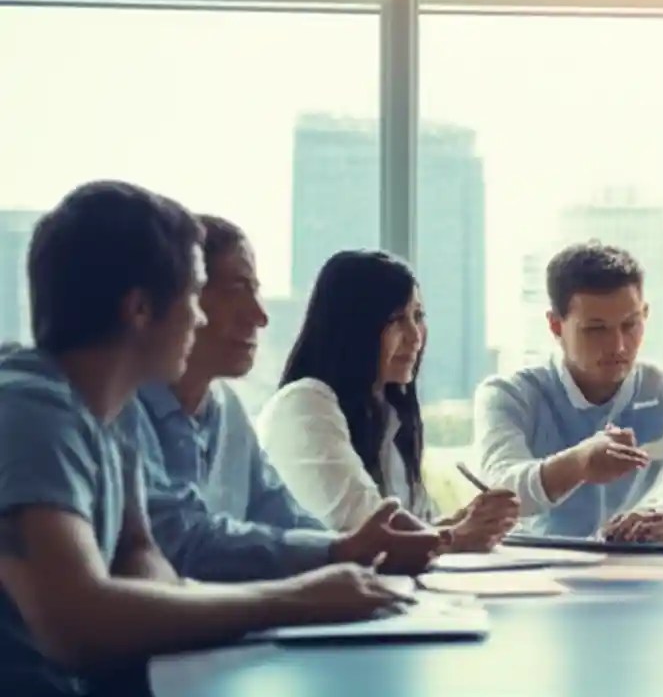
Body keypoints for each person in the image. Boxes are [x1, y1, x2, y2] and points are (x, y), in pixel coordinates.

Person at [0, 182, 410, 697]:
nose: (199, 317)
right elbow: (72, 621)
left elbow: (146, 565)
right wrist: (296, 599)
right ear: (140, 309)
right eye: (195, 293)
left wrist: (319, 587)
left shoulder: (108, 415)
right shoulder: (30, 410)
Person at [126, 215, 444, 581]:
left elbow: (285, 517)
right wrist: (343, 553)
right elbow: (181, 545)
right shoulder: (120, 410)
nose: (261, 316)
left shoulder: (227, 410)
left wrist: (356, 556)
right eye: (236, 289)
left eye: (418, 317)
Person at [258, 250, 518, 550]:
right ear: (353, 327)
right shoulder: (302, 404)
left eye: (418, 316)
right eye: (396, 319)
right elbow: (367, 529)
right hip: (320, 593)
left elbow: (410, 525)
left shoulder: (389, 413)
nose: (414, 336)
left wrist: (463, 521)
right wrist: (455, 536)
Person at [474, 241, 663, 541]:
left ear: (646, 314)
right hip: (535, 567)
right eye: (595, 329)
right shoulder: (509, 395)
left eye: (630, 325)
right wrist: (578, 463)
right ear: (555, 326)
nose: (617, 346)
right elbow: (501, 490)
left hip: (640, 569)